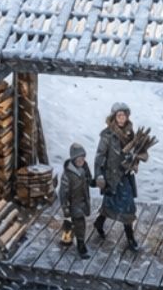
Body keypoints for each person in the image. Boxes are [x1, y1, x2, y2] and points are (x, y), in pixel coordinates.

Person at [94, 101, 141, 253]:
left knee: (127, 206)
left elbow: (135, 152)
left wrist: (135, 162)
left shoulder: (131, 134)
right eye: (119, 115)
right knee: (111, 204)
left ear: (127, 116)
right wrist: (99, 175)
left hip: (125, 175)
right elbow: (100, 156)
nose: (121, 118)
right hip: (112, 177)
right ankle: (101, 224)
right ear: (114, 117)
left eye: (124, 115)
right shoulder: (107, 135)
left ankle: (128, 236)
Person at [60, 142, 93, 258]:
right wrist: (65, 207)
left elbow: (89, 180)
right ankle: (80, 245)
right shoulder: (68, 174)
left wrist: (97, 182)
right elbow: (63, 193)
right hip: (73, 203)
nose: (81, 161)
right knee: (78, 223)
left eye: (83, 158)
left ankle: (69, 237)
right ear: (73, 159)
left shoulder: (84, 167)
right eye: (78, 159)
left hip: (82, 202)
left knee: (76, 223)